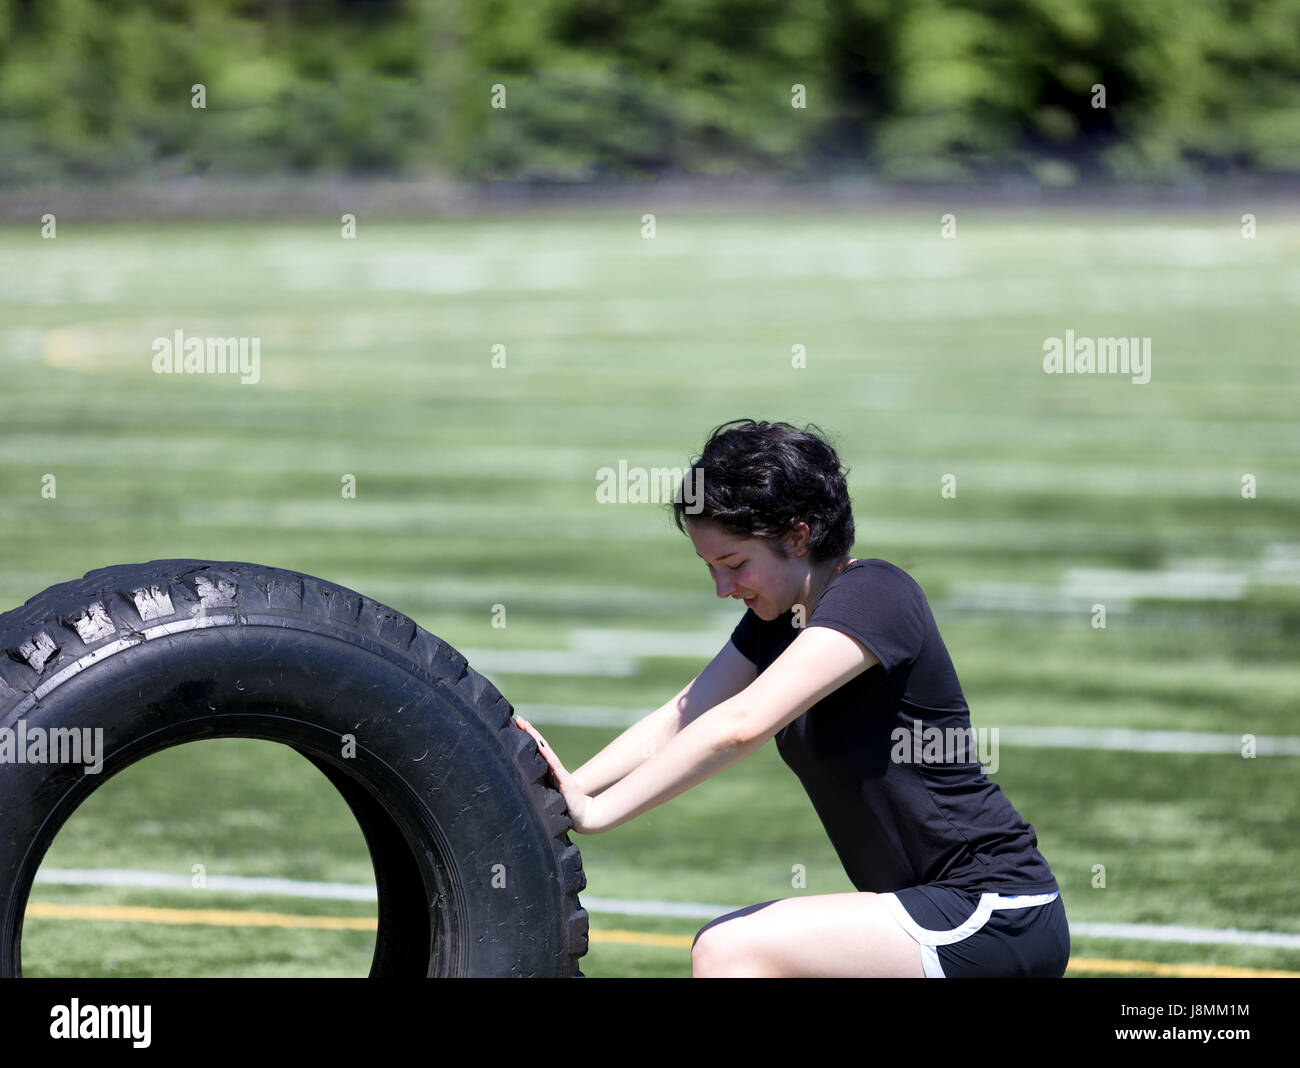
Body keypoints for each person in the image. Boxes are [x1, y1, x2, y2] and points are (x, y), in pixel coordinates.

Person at [514, 419, 1069, 978]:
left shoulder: (877, 593)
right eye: (710, 568)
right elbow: (683, 716)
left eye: (734, 565)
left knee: (729, 949)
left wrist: (600, 813)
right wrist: (564, 792)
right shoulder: (776, 622)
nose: (722, 588)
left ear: (799, 538)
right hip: (925, 911)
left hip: (992, 909)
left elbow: (741, 724)